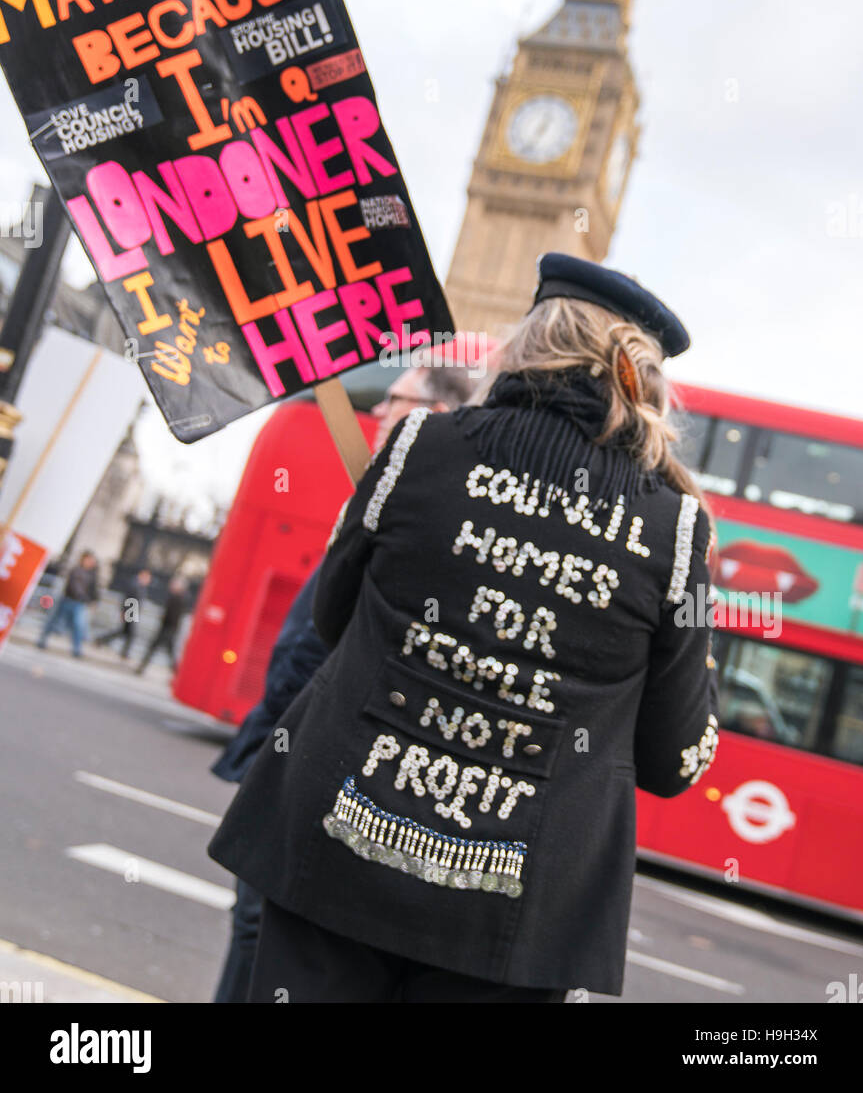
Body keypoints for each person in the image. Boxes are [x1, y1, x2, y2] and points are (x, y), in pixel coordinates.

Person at [208, 255, 720, 1003]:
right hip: (515, 910)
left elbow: (332, 617)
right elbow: (674, 762)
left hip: (335, 846)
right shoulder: (675, 532)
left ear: (525, 343)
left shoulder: (418, 447)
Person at [211, 352, 480, 1003]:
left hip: (316, 759)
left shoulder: (420, 517)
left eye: (395, 402)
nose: (378, 415)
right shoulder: (386, 497)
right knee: (251, 924)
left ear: (435, 416)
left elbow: (328, 644)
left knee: (260, 928)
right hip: (289, 747)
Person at [38, 551, 100, 658]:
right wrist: (83, 596)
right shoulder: (76, 570)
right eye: (89, 560)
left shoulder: (92, 575)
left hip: (80, 603)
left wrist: (93, 600)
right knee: (54, 621)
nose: (90, 563)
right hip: (68, 599)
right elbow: (74, 586)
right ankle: (42, 640)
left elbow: (94, 589)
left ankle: (77, 649)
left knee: (78, 626)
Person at [95, 567, 153, 659]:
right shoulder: (135, 585)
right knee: (130, 633)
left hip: (133, 611)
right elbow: (128, 598)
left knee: (124, 632)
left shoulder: (141, 586)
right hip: (130, 611)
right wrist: (124, 611)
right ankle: (123, 652)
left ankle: (102, 640)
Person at [135, 574, 188, 675]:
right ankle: (176, 672)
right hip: (168, 628)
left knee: (157, 649)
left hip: (167, 629)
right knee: (167, 652)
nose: (171, 585)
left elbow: (173, 616)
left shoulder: (178, 598)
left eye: (174, 584)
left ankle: (142, 668)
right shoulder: (176, 597)